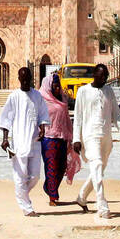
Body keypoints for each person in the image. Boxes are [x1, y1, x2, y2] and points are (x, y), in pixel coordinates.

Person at [72, 63, 120, 218]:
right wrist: (76, 139)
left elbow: (116, 116)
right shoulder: (83, 91)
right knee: (97, 165)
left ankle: (82, 197)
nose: (104, 78)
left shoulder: (109, 91)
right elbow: (78, 118)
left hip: (106, 138)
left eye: (106, 76)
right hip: (90, 135)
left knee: (98, 171)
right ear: (94, 75)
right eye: (101, 75)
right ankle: (102, 205)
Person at [0, 66, 49, 216]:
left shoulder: (37, 95)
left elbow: (43, 114)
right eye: (23, 79)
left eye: (28, 79)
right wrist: (5, 139)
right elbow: (6, 118)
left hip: (34, 141)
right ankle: (27, 208)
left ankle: (21, 194)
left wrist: (43, 127)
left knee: (35, 176)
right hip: (19, 142)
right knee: (20, 176)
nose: (26, 82)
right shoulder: (14, 96)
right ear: (19, 79)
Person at [38, 71, 80, 206]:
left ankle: (48, 187)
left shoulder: (62, 99)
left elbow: (66, 118)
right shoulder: (42, 100)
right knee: (51, 167)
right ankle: (53, 197)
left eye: (58, 86)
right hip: (48, 139)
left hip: (62, 138)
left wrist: (71, 137)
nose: (57, 89)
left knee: (62, 167)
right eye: (55, 86)